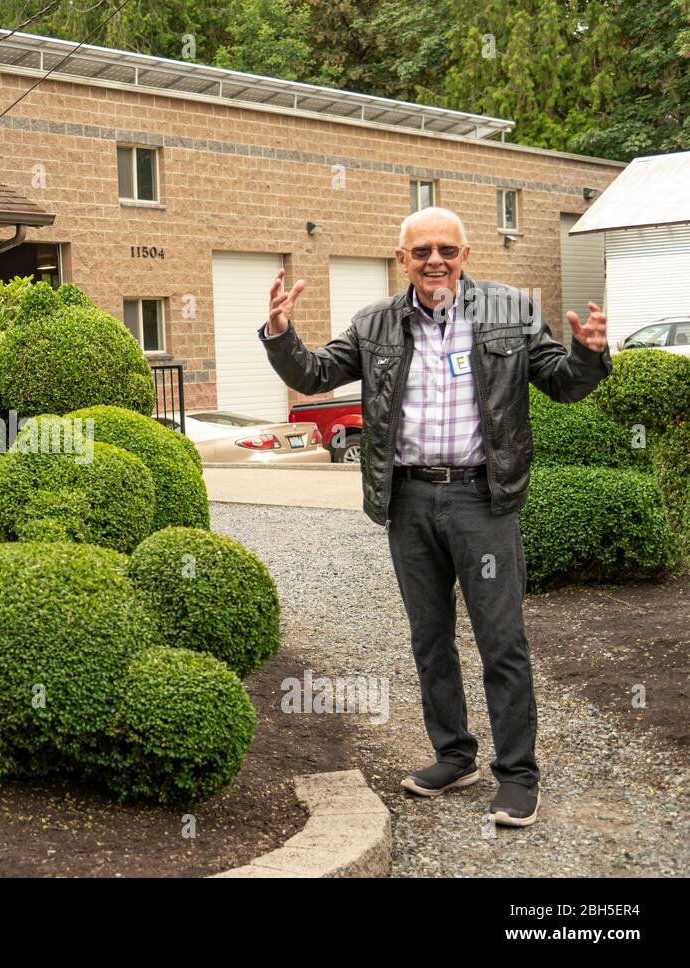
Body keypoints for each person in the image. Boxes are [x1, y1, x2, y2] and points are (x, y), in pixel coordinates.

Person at [258, 206, 612, 827]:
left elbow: (561, 382)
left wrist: (586, 356)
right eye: (421, 251)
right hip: (410, 500)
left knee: (502, 642)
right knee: (430, 640)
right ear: (403, 260)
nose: (435, 261)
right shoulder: (375, 324)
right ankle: (454, 755)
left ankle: (518, 774)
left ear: (465, 255)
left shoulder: (510, 311)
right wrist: (282, 332)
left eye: (446, 249)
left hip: (484, 499)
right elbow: (314, 376)